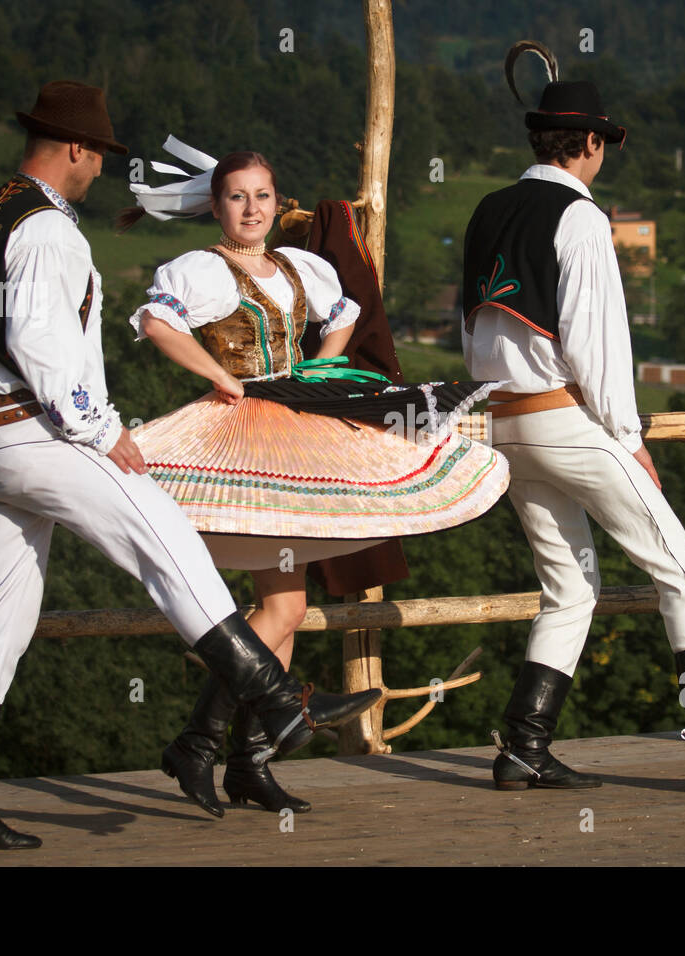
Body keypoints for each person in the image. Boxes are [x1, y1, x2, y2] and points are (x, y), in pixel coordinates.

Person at [0, 82, 380, 849]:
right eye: (99, 155)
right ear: (76, 148)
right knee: (169, 544)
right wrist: (102, 431)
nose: (99, 169)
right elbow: (40, 346)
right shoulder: (45, 231)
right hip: (39, 435)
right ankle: (278, 702)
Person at [122, 141, 508, 816]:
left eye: (262, 196)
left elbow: (348, 315)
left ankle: (241, 761)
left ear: (278, 203)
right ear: (216, 205)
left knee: (288, 604)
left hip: (291, 422)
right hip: (238, 434)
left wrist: (319, 371)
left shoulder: (298, 267)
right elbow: (156, 321)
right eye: (237, 196)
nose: (250, 209)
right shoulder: (203, 271)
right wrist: (217, 376)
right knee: (285, 606)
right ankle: (208, 744)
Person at [462, 54, 685, 789]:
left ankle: (523, 746)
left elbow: (473, 332)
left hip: (500, 423)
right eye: (604, 144)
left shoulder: (488, 209)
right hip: (564, 420)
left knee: (571, 589)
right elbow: (598, 342)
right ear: (590, 144)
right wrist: (630, 440)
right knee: (677, 565)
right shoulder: (580, 216)